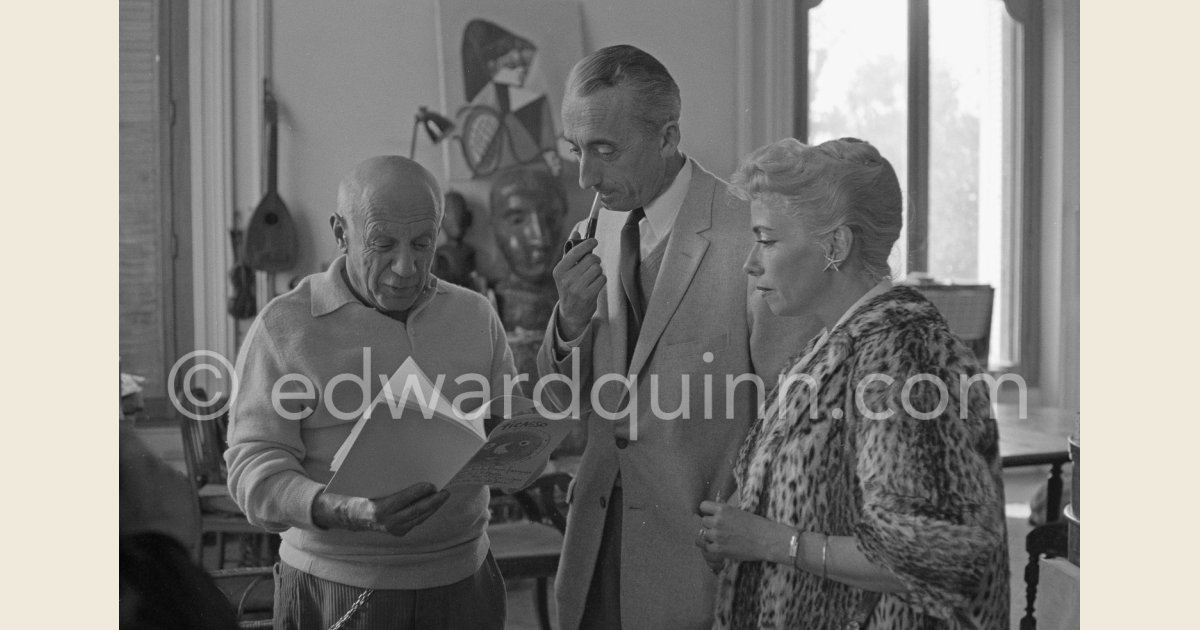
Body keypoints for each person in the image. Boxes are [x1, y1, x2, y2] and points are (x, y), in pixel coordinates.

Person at [536, 45, 813, 629]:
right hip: (593, 547)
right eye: (575, 150)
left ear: (668, 137)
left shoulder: (750, 233)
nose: (586, 175)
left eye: (605, 151)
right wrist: (567, 323)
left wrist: (747, 516)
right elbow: (558, 403)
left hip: (697, 561)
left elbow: (790, 413)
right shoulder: (594, 224)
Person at [697, 138, 1009, 628]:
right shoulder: (832, 346)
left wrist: (768, 541)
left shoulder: (904, 356)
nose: (750, 263)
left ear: (835, 246)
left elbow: (941, 555)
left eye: (768, 239)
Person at [225, 156, 514, 629]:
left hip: (465, 580)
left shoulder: (475, 315)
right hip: (336, 586)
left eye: (423, 244)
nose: (406, 267)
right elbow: (252, 474)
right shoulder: (284, 326)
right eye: (382, 244)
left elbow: (507, 432)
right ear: (341, 232)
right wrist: (348, 511)